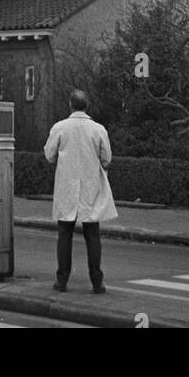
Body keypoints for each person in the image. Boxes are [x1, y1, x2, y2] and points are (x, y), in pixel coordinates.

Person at [43, 89, 117, 295]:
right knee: (92, 234)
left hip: (67, 186)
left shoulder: (60, 127)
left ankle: (62, 280)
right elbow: (107, 158)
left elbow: (49, 155)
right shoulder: (98, 129)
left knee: (64, 234)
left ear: (70, 105)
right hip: (90, 187)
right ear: (87, 106)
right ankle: (97, 282)